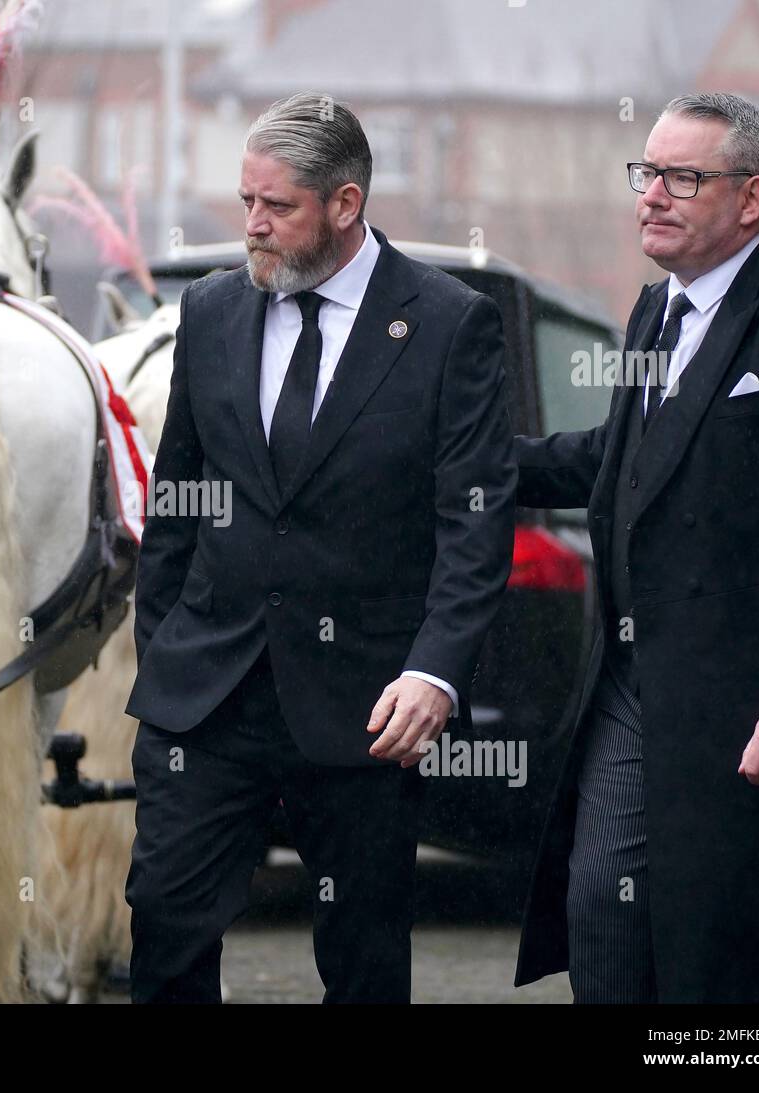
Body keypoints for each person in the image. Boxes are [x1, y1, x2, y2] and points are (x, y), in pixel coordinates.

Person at [124, 91, 517, 1003]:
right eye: (245, 202)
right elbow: (178, 497)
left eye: (277, 208)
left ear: (345, 205)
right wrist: (166, 641)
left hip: (365, 707)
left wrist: (436, 672)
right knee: (167, 925)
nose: (252, 227)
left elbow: (474, 520)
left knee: (365, 959)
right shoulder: (215, 311)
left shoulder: (450, 322)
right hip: (206, 698)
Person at [513, 92, 759, 1003]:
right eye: (646, 173)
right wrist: (468, 468)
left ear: (751, 199)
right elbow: (613, 459)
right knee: (601, 909)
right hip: (629, 681)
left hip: (748, 702)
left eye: (682, 177)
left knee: (729, 948)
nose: (651, 194)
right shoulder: (655, 310)